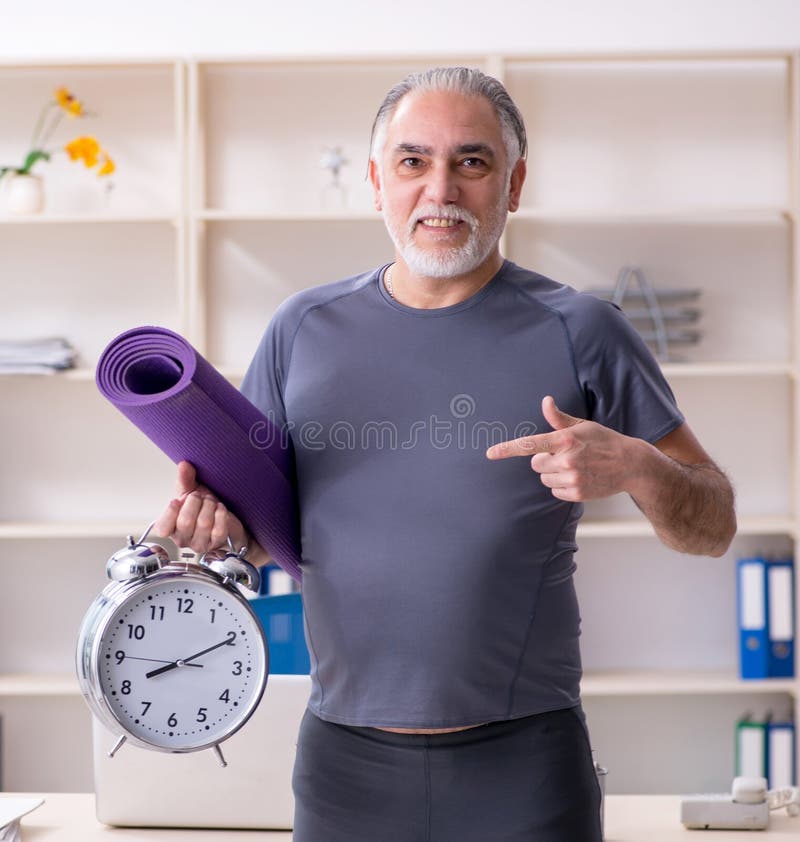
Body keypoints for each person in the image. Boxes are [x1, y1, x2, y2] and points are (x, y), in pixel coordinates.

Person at [155, 67, 736, 841]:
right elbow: (260, 540)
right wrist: (207, 533)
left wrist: (635, 465)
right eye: (412, 161)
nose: (441, 190)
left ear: (514, 182)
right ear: (375, 182)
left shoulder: (584, 330)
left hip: (526, 766)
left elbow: (713, 522)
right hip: (343, 768)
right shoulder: (301, 330)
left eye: (472, 161)